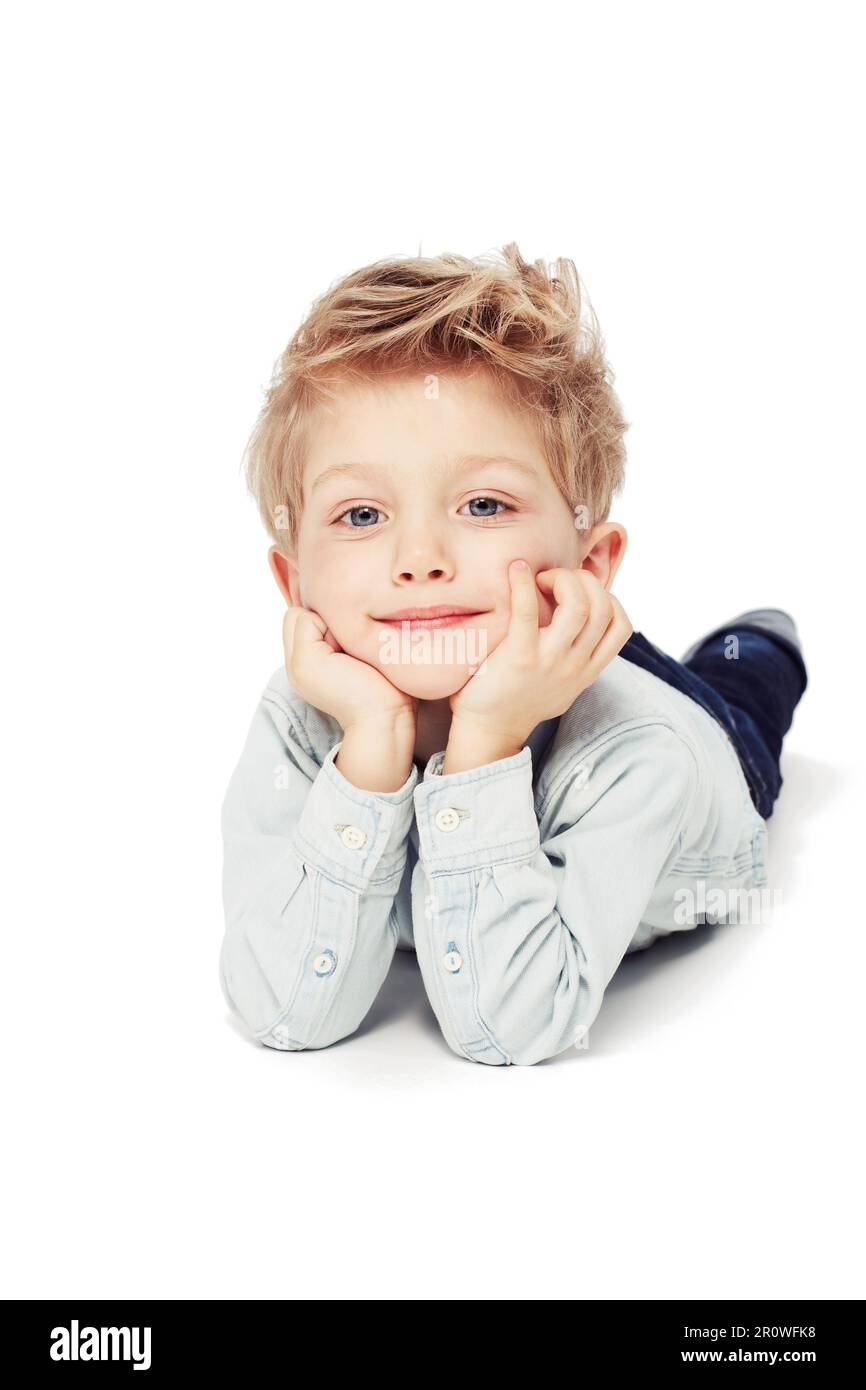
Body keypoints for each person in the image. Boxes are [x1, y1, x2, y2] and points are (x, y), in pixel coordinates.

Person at [218, 244, 807, 1066]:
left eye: (483, 503)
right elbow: (283, 1011)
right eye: (360, 515)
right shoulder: (303, 716)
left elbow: (511, 1022)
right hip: (524, 634)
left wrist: (484, 742)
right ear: (295, 580)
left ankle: (761, 639)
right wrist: (373, 751)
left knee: (744, 691)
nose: (418, 557)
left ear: (589, 564)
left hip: (696, 735)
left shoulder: (640, 753)